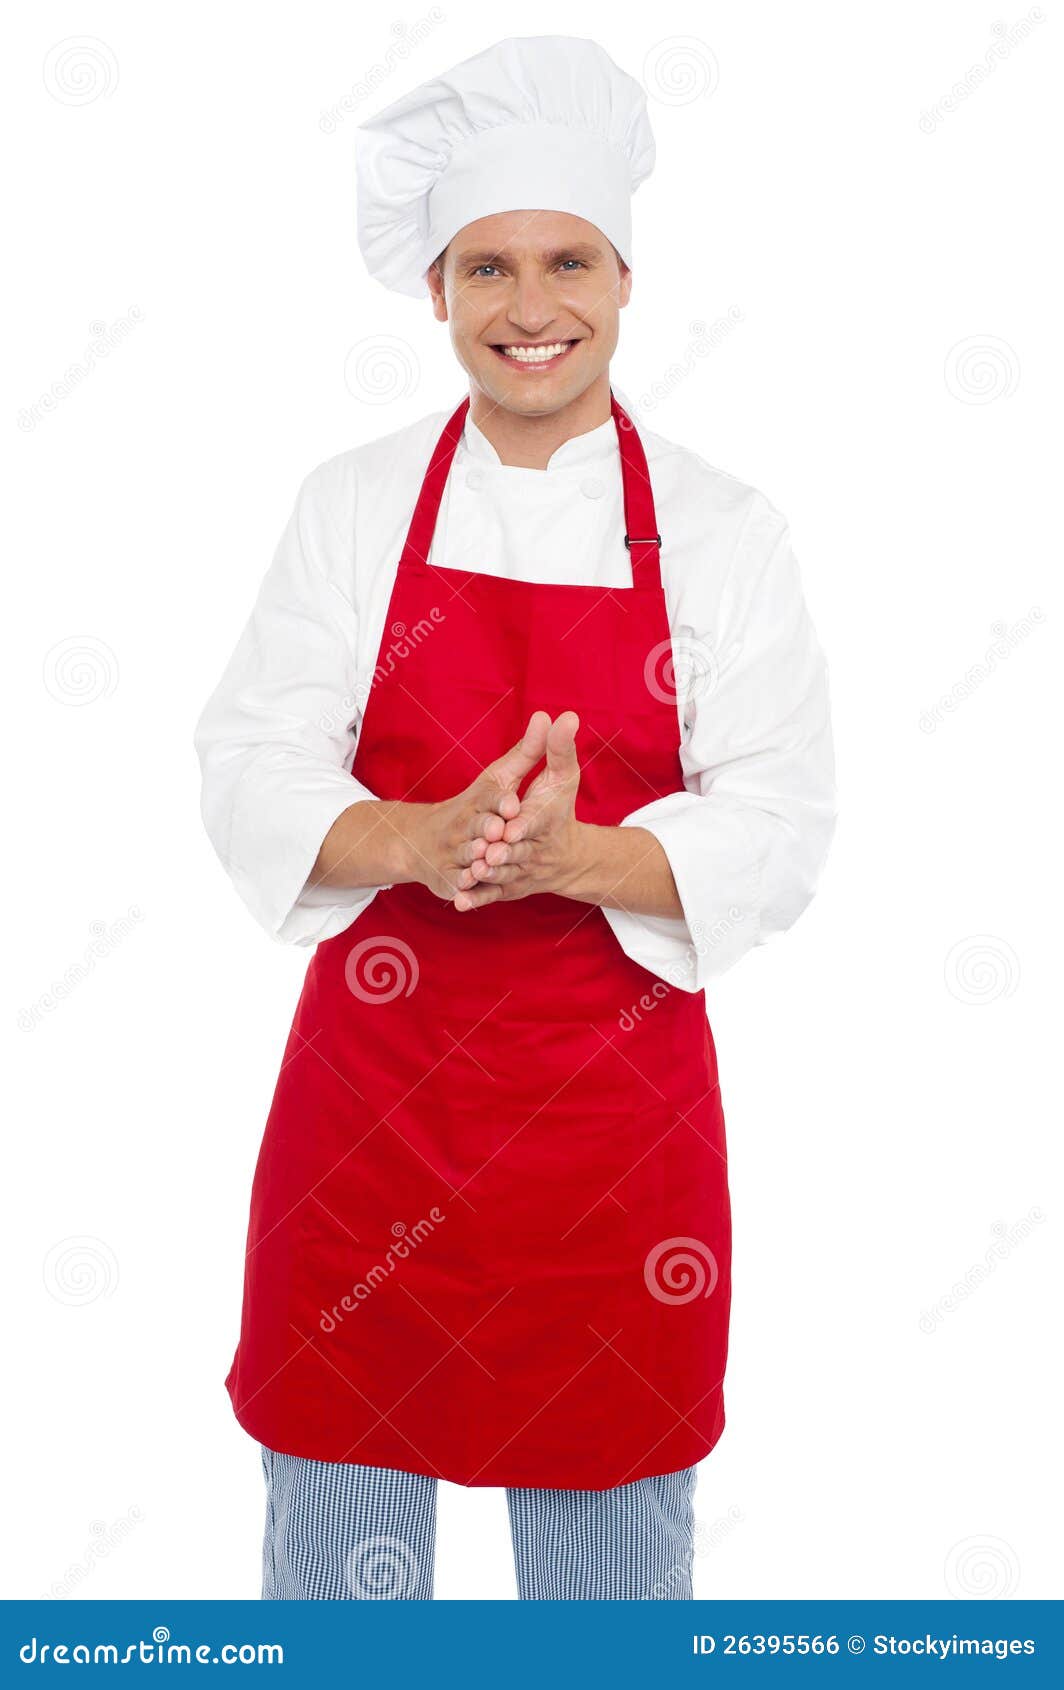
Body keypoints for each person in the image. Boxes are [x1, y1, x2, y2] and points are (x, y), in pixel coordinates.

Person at [194, 33, 837, 1602]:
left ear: (625, 280)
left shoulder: (724, 531)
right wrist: (418, 839)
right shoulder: (351, 507)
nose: (529, 305)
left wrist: (578, 857)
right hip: (372, 1126)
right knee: (345, 1611)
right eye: (487, 267)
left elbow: (786, 813)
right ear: (436, 293)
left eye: (567, 260)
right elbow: (249, 759)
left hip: (613, 1161)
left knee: (608, 1607)